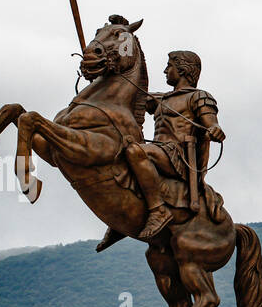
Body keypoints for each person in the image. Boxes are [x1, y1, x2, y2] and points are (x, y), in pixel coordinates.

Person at [97, 50, 226, 251]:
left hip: (179, 158)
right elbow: (129, 92)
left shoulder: (199, 97)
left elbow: (211, 123)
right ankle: (122, 219)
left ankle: (158, 211)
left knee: (135, 151)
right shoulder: (161, 99)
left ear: (182, 70)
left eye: (169, 66)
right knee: (119, 154)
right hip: (159, 152)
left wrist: (214, 130)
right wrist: (110, 69)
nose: (165, 70)